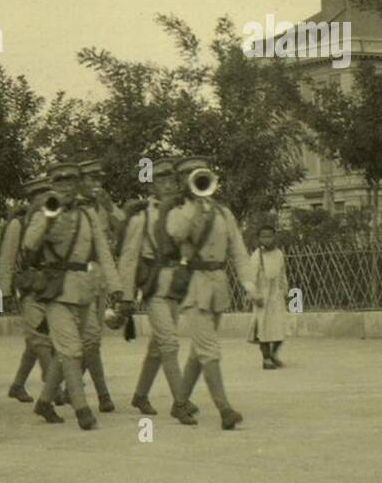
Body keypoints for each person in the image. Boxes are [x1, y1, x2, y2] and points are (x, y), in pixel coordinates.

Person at [20, 160, 129, 431]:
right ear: (52, 185)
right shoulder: (43, 212)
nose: (66, 187)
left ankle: (44, 401)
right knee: (70, 349)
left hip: (84, 290)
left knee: (78, 345)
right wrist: (47, 215)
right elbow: (29, 244)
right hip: (55, 291)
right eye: (60, 182)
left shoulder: (87, 214)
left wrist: (117, 287)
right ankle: (82, 408)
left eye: (71, 181)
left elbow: (103, 251)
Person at [165, 156, 254, 430]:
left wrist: (248, 283)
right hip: (193, 284)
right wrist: (194, 206)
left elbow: (237, 249)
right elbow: (176, 233)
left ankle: (180, 403)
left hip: (217, 284)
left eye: (200, 174)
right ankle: (225, 409)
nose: (196, 179)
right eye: (190, 175)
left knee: (199, 351)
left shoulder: (223, 213)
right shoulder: (178, 211)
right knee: (209, 349)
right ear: (183, 182)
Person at [118, 157, 196, 422]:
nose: (166, 185)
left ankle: (140, 395)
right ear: (150, 185)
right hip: (153, 286)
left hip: (175, 286)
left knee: (158, 347)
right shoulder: (143, 216)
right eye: (159, 180)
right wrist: (126, 296)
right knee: (170, 344)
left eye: (170, 179)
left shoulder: (178, 212)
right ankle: (180, 402)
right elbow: (129, 257)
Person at [0, 174, 57, 404]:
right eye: (38, 195)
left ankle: (17, 385)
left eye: (46, 194)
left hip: (50, 286)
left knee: (34, 341)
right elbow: (6, 259)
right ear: (31, 198)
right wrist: (4, 294)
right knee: (40, 339)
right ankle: (52, 383)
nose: (43, 199)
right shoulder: (18, 223)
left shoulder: (51, 221)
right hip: (28, 287)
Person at [76, 159, 125, 412]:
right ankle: (103, 395)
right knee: (90, 339)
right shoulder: (74, 206)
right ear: (80, 181)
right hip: (79, 277)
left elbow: (123, 227)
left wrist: (110, 206)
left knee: (92, 340)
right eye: (90, 179)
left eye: (98, 179)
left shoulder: (103, 206)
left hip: (99, 277)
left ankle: (64, 385)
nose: (96, 184)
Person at [244, 217, 289, 369]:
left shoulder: (279, 254)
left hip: (276, 296)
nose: (267, 239)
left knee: (280, 328)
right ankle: (266, 359)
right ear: (259, 238)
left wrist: (285, 291)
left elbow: (283, 274)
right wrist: (254, 295)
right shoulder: (257, 255)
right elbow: (250, 277)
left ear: (275, 236)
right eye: (263, 236)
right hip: (262, 297)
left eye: (270, 236)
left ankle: (274, 354)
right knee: (263, 330)